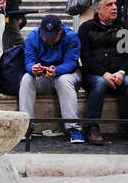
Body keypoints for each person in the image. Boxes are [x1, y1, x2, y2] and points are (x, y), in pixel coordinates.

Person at [78, 0, 128, 145]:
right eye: (109, 5)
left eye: (115, 4)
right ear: (98, 9)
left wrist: (121, 72)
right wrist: (103, 73)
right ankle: (91, 129)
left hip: (119, 74)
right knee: (100, 83)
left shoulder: (123, 27)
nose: (114, 8)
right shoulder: (86, 28)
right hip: (94, 75)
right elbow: (86, 58)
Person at [18, 13, 83, 143]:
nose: (48, 40)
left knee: (63, 81)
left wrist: (56, 70)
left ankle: (73, 128)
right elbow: (29, 61)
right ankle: (26, 126)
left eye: (52, 37)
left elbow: (71, 63)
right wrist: (33, 68)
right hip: (43, 76)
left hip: (66, 75)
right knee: (26, 79)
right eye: (45, 36)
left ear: (61, 31)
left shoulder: (71, 36)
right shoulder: (33, 36)